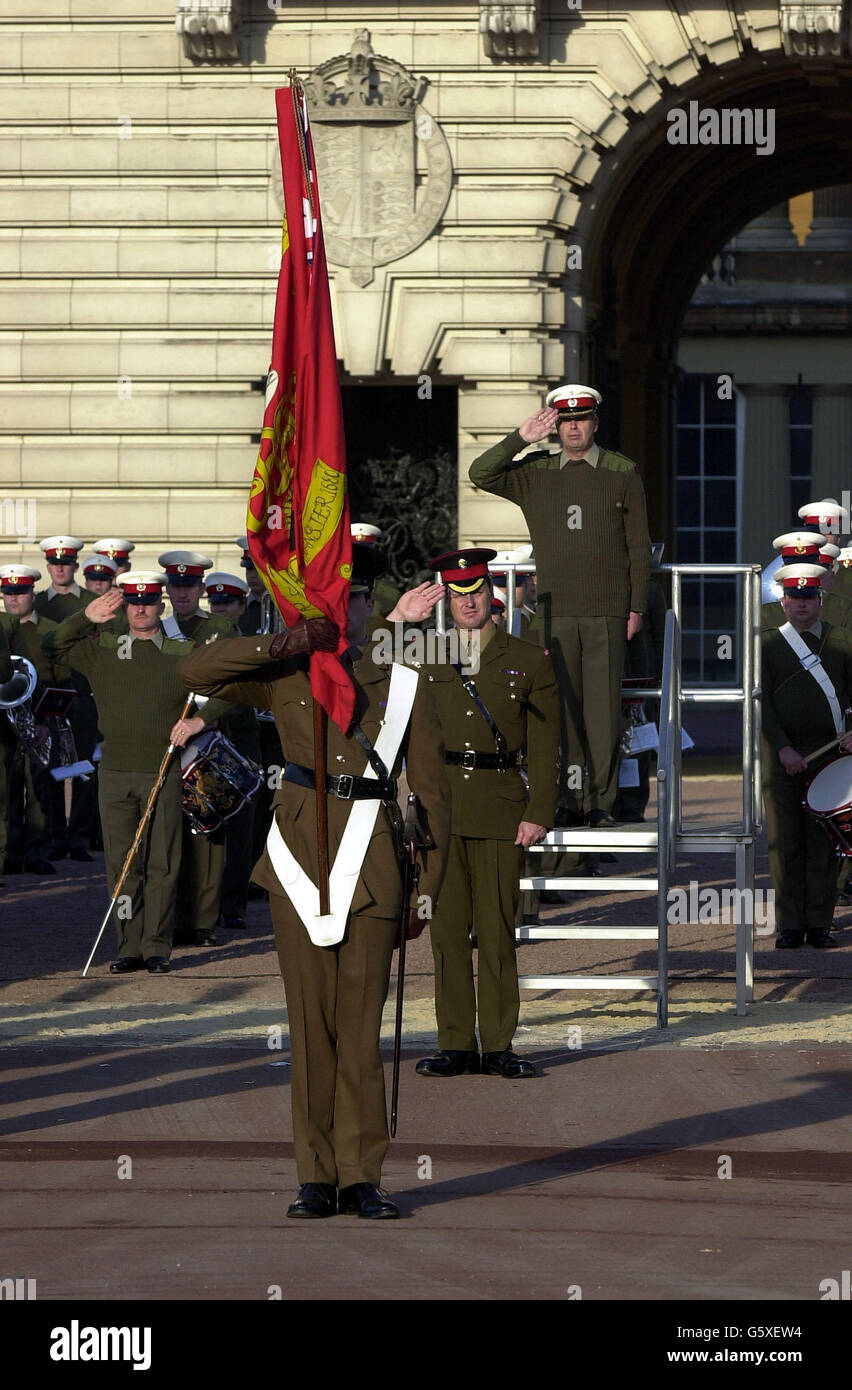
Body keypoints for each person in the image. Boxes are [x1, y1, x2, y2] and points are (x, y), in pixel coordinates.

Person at [177, 544, 451, 1220]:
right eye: (326, 596)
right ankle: (315, 1175)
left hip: (375, 857)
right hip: (299, 857)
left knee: (359, 1026)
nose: (340, 606)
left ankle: (361, 1175)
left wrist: (427, 891)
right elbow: (195, 670)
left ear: (366, 604)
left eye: (351, 595)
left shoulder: (400, 674)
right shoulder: (283, 668)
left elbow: (436, 796)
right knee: (308, 1026)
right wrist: (285, 640)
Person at [388, 549, 559, 1079]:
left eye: (477, 592)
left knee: (496, 931)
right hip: (440, 809)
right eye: (458, 594)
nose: (469, 603)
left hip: (501, 807)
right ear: (449, 599)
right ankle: (456, 1044)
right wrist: (396, 619)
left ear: (492, 596)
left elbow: (550, 744)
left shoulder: (529, 657)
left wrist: (539, 812)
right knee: (445, 933)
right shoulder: (424, 651)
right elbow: (369, 668)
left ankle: (499, 1046)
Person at [469, 384, 650, 827]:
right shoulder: (537, 472)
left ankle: (602, 801)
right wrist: (520, 438)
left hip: (606, 608)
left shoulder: (620, 471)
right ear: (557, 426)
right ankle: (568, 798)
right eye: (565, 421)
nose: (573, 428)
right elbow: (481, 472)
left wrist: (636, 607)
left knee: (604, 711)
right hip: (553, 610)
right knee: (558, 710)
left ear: (595, 422)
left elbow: (638, 546)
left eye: (581, 419)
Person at [43, 572, 231, 973]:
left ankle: (157, 944)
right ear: (125, 606)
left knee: (163, 863)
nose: (141, 608)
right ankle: (128, 943)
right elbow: (52, 646)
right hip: (114, 773)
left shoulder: (183, 652)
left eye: (148, 601)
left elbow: (229, 687)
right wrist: (85, 617)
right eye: (133, 601)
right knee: (122, 866)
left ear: (160, 606)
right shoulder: (103, 649)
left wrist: (201, 721)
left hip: (161, 771)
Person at [761, 562, 852, 949]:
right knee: (785, 841)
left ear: (820, 600)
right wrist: (782, 747)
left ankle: (819, 924)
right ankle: (789, 926)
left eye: (808, 598)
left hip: (829, 751)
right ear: (782, 601)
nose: (801, 605)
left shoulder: (841, 640)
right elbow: (760, 701)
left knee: (823, 841)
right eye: (794, 598)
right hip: (781, 752)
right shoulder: (766, 642)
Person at [159, 550, 236, 947]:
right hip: (162, 741)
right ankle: (168, 920)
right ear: (168, 589)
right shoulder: (155, 626)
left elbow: (238, 685)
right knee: (166, 834)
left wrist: (203, 721)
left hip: (205, 740)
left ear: (201, 588)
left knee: (206, 831)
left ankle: (204, 921)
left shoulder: (220, 628)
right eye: (176, 585)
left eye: (190, 586)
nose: (183, 593)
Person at [0, 564, 71, 876]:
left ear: (32, 593)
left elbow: (61, 681)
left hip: (38, 720)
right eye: (8, 593)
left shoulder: (50, 629)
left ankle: (38, 850)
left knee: (39, 789)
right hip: (4, 722)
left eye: (20, 592)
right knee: (8, 790)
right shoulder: (1, 626)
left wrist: (45, 722)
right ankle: (10, 853)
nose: (14, 599)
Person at [202, 571, 263, 932]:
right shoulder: (202, 644)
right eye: (216, 603)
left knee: (242, 830)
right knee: (207, 830)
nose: (221, 610)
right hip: (207, 743)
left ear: (242, 607)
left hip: (242, 741)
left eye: (228, 603)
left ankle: (234, 905)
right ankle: (204, 908)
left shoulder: (252, 646)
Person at [35, 535, 99, 861]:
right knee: (50, 768)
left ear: (75, 566)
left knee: (83, 766)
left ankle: (79, 839)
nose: (60, 569)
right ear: (48, 567)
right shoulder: (35, 603)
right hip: (44, 695)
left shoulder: (91, 601)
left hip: (82, 692)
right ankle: (55, 837)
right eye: (55, 564)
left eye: (66, 563)